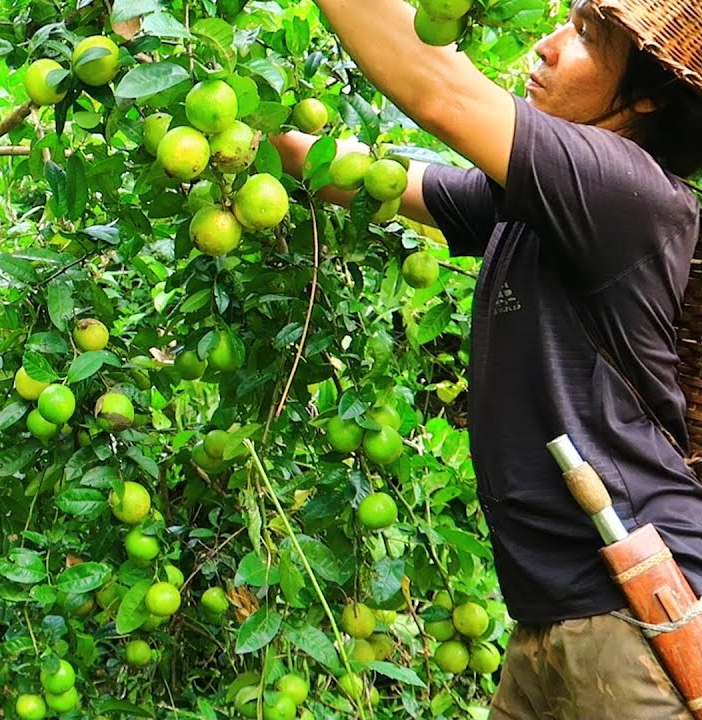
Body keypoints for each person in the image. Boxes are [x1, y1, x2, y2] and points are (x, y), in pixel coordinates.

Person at [270, 0, 702, 716]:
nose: (549, 45)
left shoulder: (625, 189)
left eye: (588, 37)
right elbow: (372, 180)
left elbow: (436, 90)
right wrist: (228, 116)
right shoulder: (537, 202)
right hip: (552, 615)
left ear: (649, 95)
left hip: (632, 604)